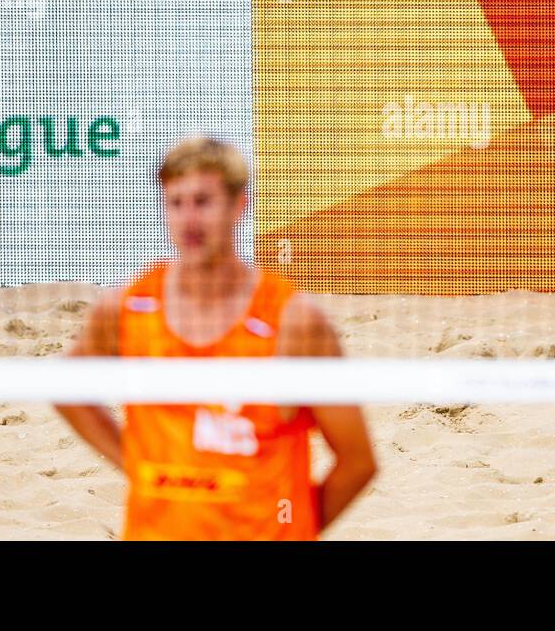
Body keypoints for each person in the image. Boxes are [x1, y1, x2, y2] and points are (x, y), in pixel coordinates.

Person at [56, 137, 377, 538]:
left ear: (238, 205)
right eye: (176, 203)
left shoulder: (294, 321)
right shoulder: (126, 307)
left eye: (203, 202)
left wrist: (295, 529)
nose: (188, 219)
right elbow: (66, 387)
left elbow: (357, 461)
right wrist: (135, 463)